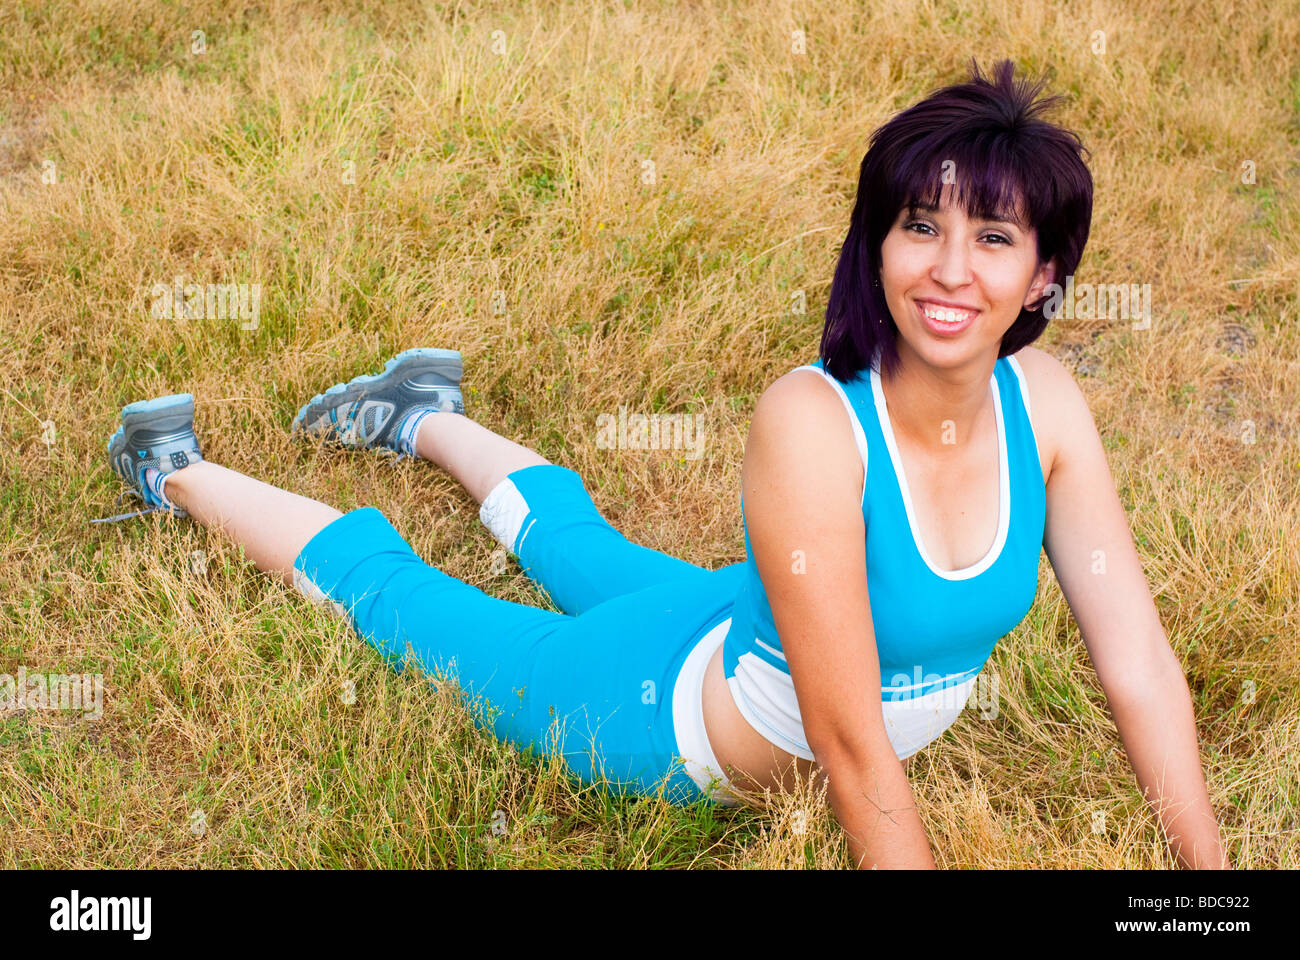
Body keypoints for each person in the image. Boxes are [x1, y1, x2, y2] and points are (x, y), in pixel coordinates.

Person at [100, 58, 1229, 869]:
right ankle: (172, 468)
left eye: (992, 238)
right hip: (657, 716)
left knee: (582, 547)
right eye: (918, 225)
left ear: (1042, 277)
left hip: (731, 615)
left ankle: (420, 414)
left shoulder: (1048, 406)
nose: (946, 270)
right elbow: (846, 744)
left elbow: (1132, 660)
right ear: (875, 238)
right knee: (410, 607)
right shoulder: (812, 419)